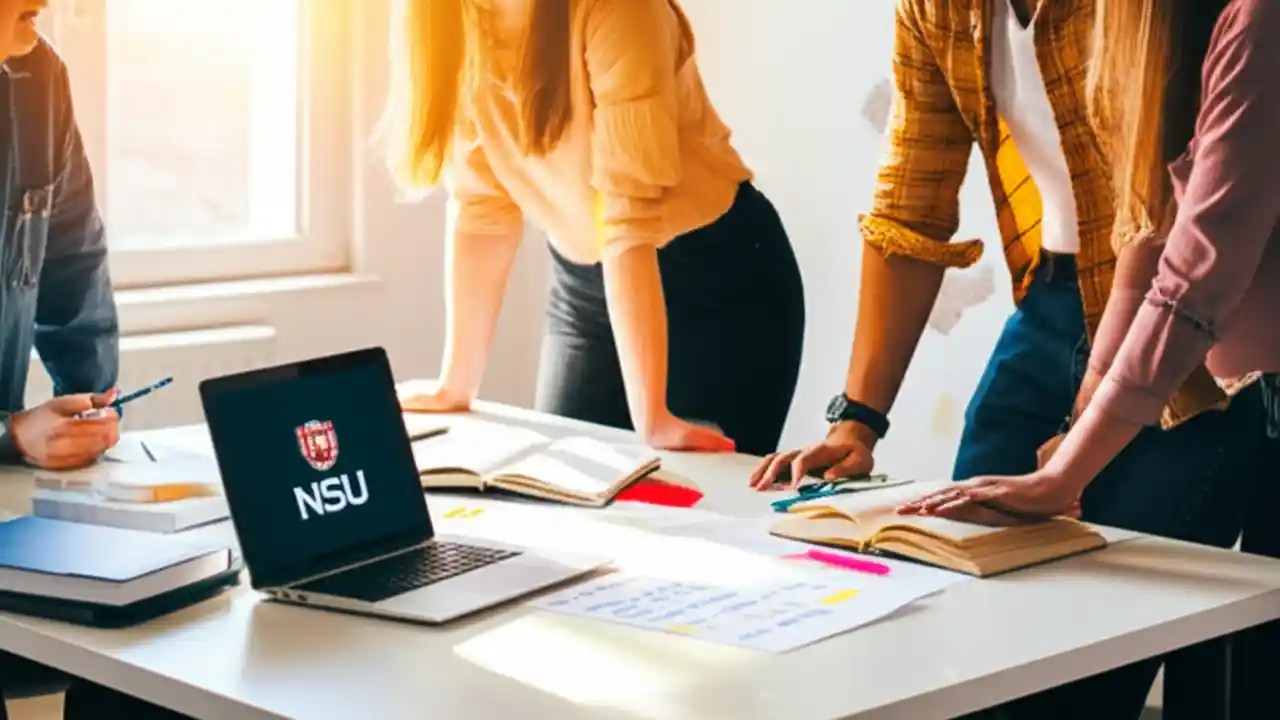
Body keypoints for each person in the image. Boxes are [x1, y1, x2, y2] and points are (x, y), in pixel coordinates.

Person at [902, 1, 1278, 715]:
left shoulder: (1260, 21)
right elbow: (1145, 233)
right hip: (1252, 376)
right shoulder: (1156, 27)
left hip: (1251, 381)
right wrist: (1076, 435)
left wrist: (1060, 475)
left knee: (1242, 671)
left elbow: (1198, 276)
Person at [384, 0, 805, 456]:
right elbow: (482, 211)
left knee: (693, 507)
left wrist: (653, 417)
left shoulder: (619, 10)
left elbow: (629, 218)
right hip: (585, 282)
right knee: (568, 498)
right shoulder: (458, 18)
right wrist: (455, 385)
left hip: (717, 283)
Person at [0, 3, 185, 717]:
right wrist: (13, 432)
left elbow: (72, 250)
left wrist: (92, 407)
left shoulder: (39, 76)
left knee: (152, 650)